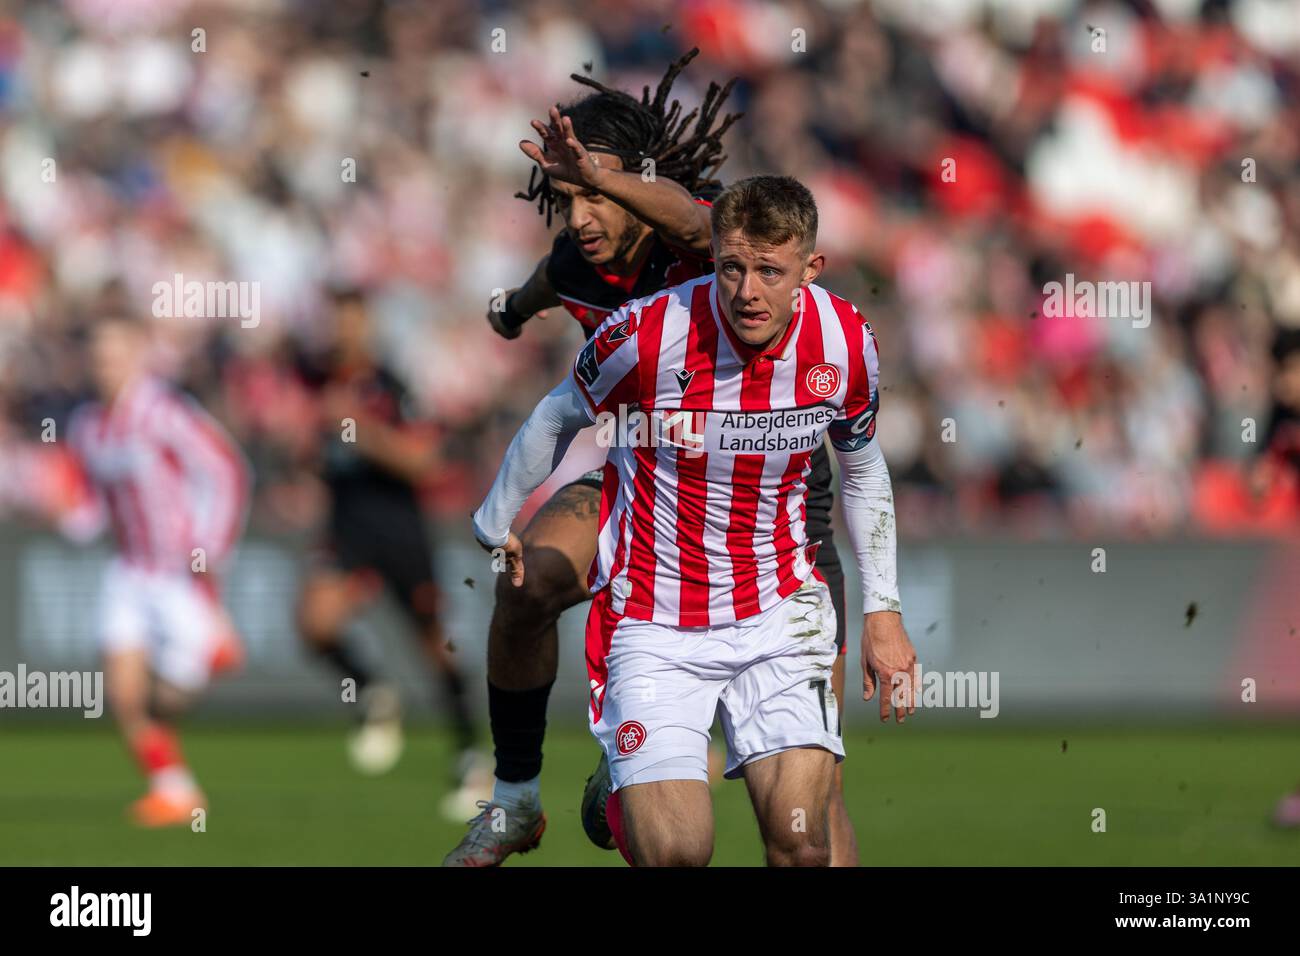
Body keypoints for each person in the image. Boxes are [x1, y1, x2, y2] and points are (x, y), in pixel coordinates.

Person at [470, 175, 918, 865]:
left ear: (810, 269)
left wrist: (883, 611)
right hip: (656, 621)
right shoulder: (648, 334)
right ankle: (614, 782)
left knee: (802, 841)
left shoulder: (846, 341)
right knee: (678, 856)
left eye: (770, 270)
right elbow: (555, 415)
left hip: (779, 615)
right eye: (732, 267)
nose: (747, 291)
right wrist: (493, 518)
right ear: (713, 256)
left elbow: (862, 467)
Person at [295, 289, 483, 808]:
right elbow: (315, 454)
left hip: (398, 528)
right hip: (346, 527)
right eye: (336, 324)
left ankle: (471, 756)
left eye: (351, 324)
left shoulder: (392, 387)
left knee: (433, 645)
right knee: (315, 625)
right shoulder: (320, 383)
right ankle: (373, 690)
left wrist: (359, 431)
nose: (342, 335)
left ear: (368, 329)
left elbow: (426, 463)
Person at [64, 316, 250, 826]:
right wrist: (73, 518)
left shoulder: (164, 413)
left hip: (178, 573)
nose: (106, 367)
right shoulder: (86, 424)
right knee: (120, 693)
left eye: (116, 355)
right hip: (128, 569)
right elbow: (96, 503)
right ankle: (174, 789)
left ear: (138, 355)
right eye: (98, 357)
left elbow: (226, 469)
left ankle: (211, 643)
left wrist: (211, 545)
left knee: (169, 695)